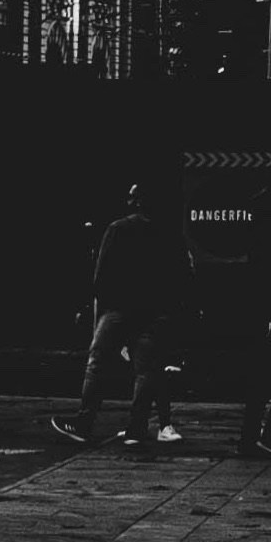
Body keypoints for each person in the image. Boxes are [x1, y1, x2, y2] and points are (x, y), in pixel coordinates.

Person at [70, 185, 193, 449]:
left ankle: (84, 422)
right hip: (155, 310)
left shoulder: (117, 229)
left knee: (97, 363)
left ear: (135, 202)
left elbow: (101, 276)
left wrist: (101, 309)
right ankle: (137, 428)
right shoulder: (170, 234)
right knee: (146, 371)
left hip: (119, 307)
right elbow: (183, 276)